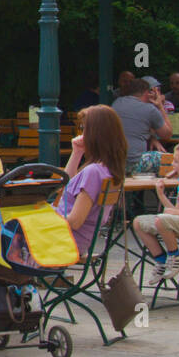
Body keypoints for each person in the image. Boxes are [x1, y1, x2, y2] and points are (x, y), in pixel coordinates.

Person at [54, 105, 127, 260]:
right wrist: (77, 152)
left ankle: (16, 282)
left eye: (84, 128)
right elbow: (66, 184)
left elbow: (75, 221)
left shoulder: (93, 172)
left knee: (5, 228)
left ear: (95, 134)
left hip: (64, 241)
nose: (82, 133)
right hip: (75, 240)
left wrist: (44, 217)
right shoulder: (107, 169)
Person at [134, 140, 179, 285]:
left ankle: (176, 255)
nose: (173, 165)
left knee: (161, 220)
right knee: (138, 222)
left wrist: (174, 213)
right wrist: (161, 195)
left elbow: (174, 214)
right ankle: (161, 260)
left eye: (176, 161)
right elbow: (175, 212)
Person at [112, 77, 172, 173]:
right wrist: (160, 106)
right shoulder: (150, 109)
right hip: (135, 163)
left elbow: (136, 126)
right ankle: (167, 187)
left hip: (115, 163)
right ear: (148, 93)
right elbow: (167, 134)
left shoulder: (117, 102)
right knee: (171, 159)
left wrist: (152, 137)